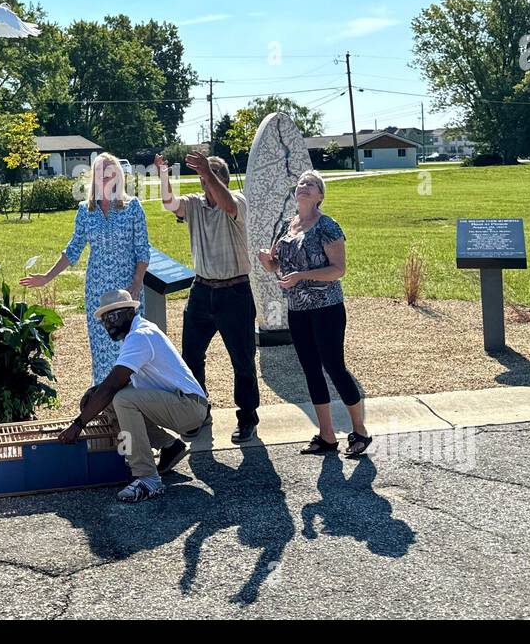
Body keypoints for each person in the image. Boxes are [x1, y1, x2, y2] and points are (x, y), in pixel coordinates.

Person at [257, 170, 372, 458]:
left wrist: (301, 276)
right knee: (310, 370)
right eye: (301, 184)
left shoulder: (327, 226)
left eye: (311, 185)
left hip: (327, 308)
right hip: (298, 310)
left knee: (334, 366)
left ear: (320, 196)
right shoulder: (286, 226)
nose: (304, 187)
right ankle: (327, 435)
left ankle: (360, 431)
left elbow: (338, 270)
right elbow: (276, 266)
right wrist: (267, 263)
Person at [57, 289, 209, 503]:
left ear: (129, 312)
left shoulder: (140, 336)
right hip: (179, 404)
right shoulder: (136, 334)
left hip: (190, 408)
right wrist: (94, 394)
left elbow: (112, 385)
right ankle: (168, 446)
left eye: (112, 316)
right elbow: (115, 384)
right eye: (103, 319)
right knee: (111, 402)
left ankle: (147, 478)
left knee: (121, 399)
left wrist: (79, 424)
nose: (107, 323)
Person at [20, 154, 150, 384]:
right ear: (94, 177)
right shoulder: (85, 210)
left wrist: (137, 285)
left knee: (129, 349)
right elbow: (73, 249)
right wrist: (47, 276)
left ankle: (134, 407)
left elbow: (142, 251)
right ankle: (105, 407)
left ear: (119, 176)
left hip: (128, 291)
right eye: (101, 173)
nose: (106, 177)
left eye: (111, 173)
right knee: (101, 350)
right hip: (97, 292)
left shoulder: (133, 207)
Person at [157, 150, 258, 444]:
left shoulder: (237, 201)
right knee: (190, 357)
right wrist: (164, 175)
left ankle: (247, 418)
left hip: (235, 291)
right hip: (201, 290)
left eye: (210, 177)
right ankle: (199, 413)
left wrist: (208, 172)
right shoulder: (194, 204)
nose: (204, 184)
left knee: (242, 359)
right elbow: (169, 204)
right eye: (202, 178)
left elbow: (226, 204)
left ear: (221, 180)